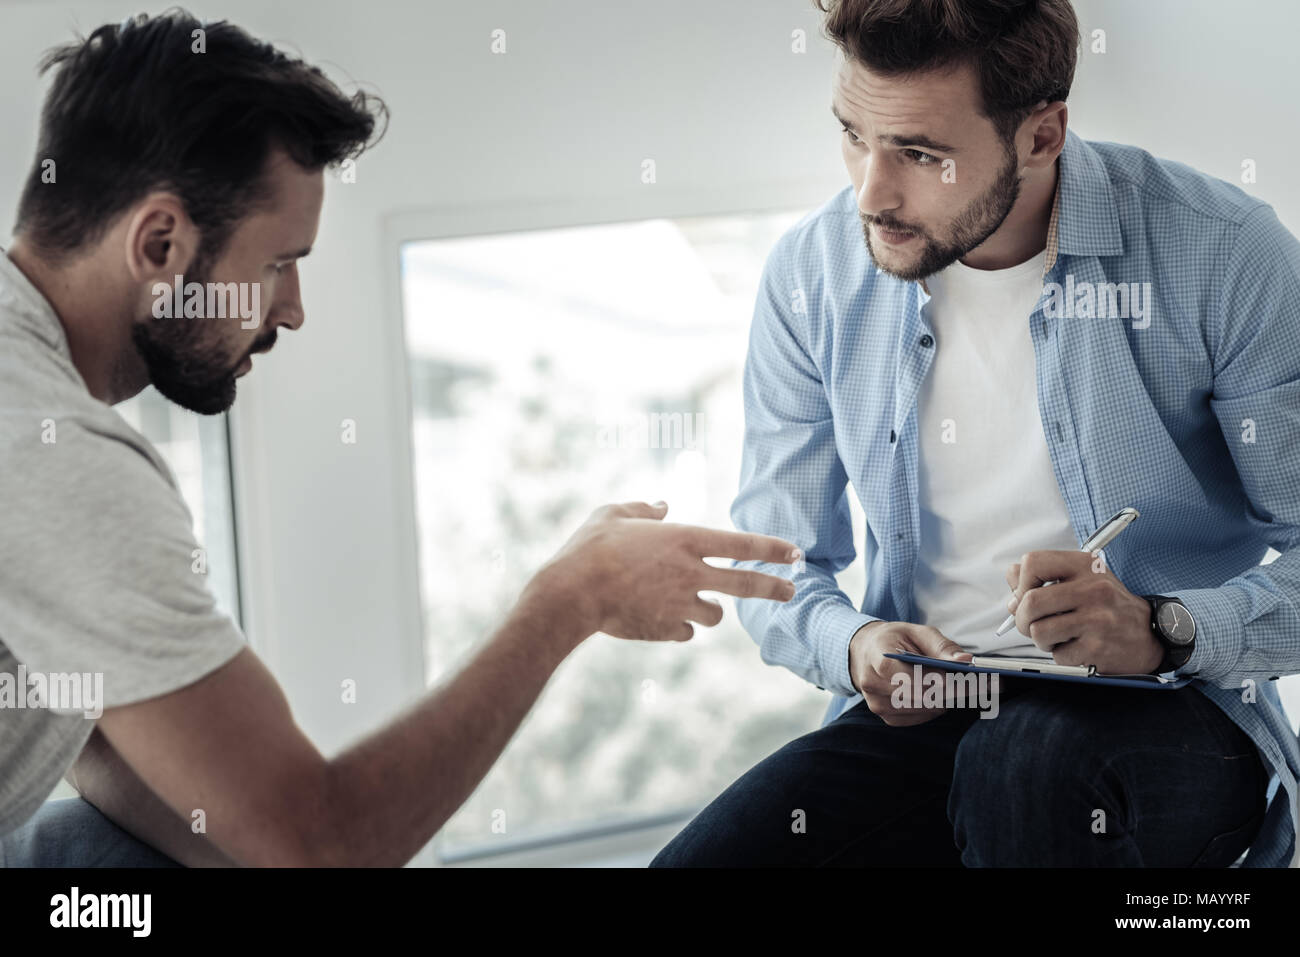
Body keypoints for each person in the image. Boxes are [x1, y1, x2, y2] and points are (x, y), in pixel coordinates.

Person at [0, 11, 799, 867]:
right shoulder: (60, 461)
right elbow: (322, 845)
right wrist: (572, 598)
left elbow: (110, 740)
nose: (292, 308)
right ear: (160, 243)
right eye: (276, 264)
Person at [653, 0, 1299, 868]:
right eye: (854, 135)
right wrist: (856, 645)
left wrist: (1164, 626)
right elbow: (779, 558)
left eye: (921, 154)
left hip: (1172, 709)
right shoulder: (813, 274)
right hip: (929, 716)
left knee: (1024, 767)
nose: (871, 193)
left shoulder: (1224, 253)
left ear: (1041, 135)